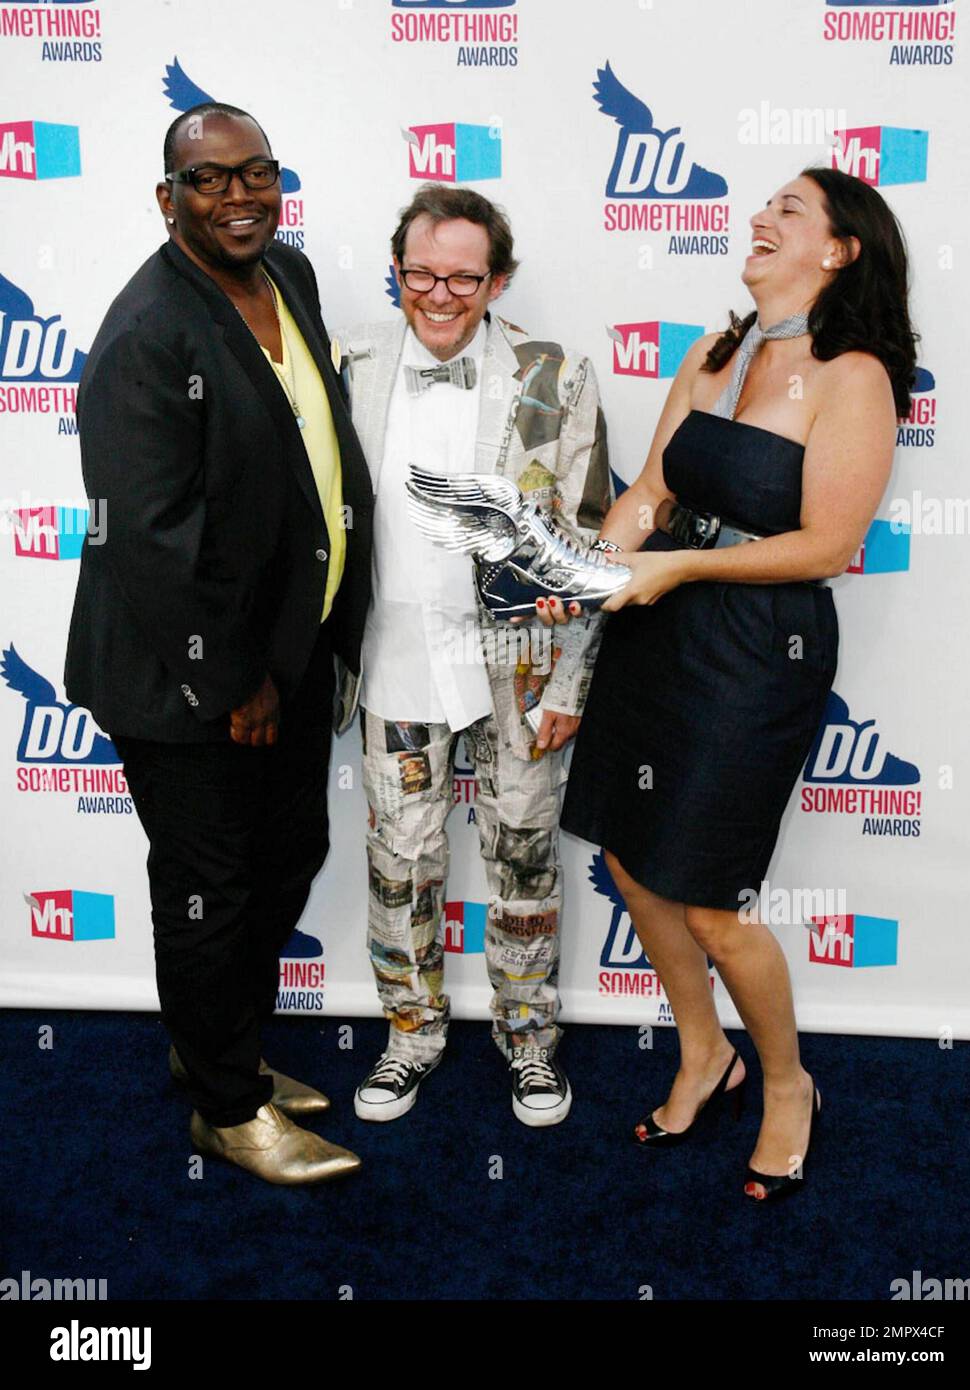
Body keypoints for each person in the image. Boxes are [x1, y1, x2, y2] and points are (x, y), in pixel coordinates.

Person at [544, 167, 916, 1198]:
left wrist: (679, 565)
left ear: (839, 250)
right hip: (659, 629)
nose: (759, 217)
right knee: (629, 858)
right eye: (763, 206)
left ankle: (788, 1083)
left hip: (757, 648)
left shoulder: (855, 374)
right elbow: (654, 492)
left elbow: (827, 545)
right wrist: (575, 576)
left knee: (708, 900)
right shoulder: (714, 353)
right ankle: (705, 1053)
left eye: (788, 210)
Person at [64, 103, 373, 1185]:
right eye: (208, 180)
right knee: (209, 888)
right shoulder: (149, 330)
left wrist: (317, 640)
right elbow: (147, 538)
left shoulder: (285, 272)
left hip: (288, 654)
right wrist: (229, 677)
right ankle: (228, 1111)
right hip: (187, 676)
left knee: (287, 854)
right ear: (167, 199)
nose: (238, 196)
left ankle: (213, 1049)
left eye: (257, 174)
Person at [337, 184, 611, 1126]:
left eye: (464, 275)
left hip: (519, 669)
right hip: (394, 660)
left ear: (500, 279)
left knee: (524, 856)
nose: (440, 294)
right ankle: (410, 1035)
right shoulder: (354, 363)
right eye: (420, 273)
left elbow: (584, 540)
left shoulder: (557, 372)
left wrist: (570, 679)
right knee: (401, 859)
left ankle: (529, 1039)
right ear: (399, 270)